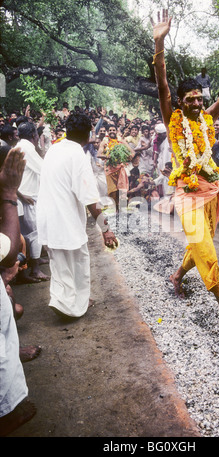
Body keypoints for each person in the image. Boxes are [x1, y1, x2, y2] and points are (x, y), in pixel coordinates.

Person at [151, 9, 219, 335]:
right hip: (187, 193)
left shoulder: (208, 117)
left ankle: (177, 276)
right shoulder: (174, 120)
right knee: (206, 249)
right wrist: (159, 44)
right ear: (180, 103)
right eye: (190, 100)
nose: (196, 104)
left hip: (211, 190)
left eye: (199, 99)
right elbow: (162, 86)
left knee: (201, 244)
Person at [36, 113, 118, 318]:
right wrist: (106, 230)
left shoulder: (54, 148)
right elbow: (91, 199)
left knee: (60, 264)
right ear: (88, 134)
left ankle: (62, 300)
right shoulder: (78, 156)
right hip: (65, 219)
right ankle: (74, 306)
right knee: (78, 261)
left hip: (47, 217)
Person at [0, 147, 37, 436]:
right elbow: (10, 251)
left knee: (8, 328)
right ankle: (6, 415)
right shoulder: (5, 193)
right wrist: (10, 193)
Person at [17, 122, 50, 282]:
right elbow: (43, 169)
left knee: (29, 234)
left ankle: (34, 261)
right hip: (29, 195)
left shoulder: (21, 146)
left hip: (25, 194)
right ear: (34, 135)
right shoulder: (27, 148)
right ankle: (35, 269)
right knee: (34, 233)